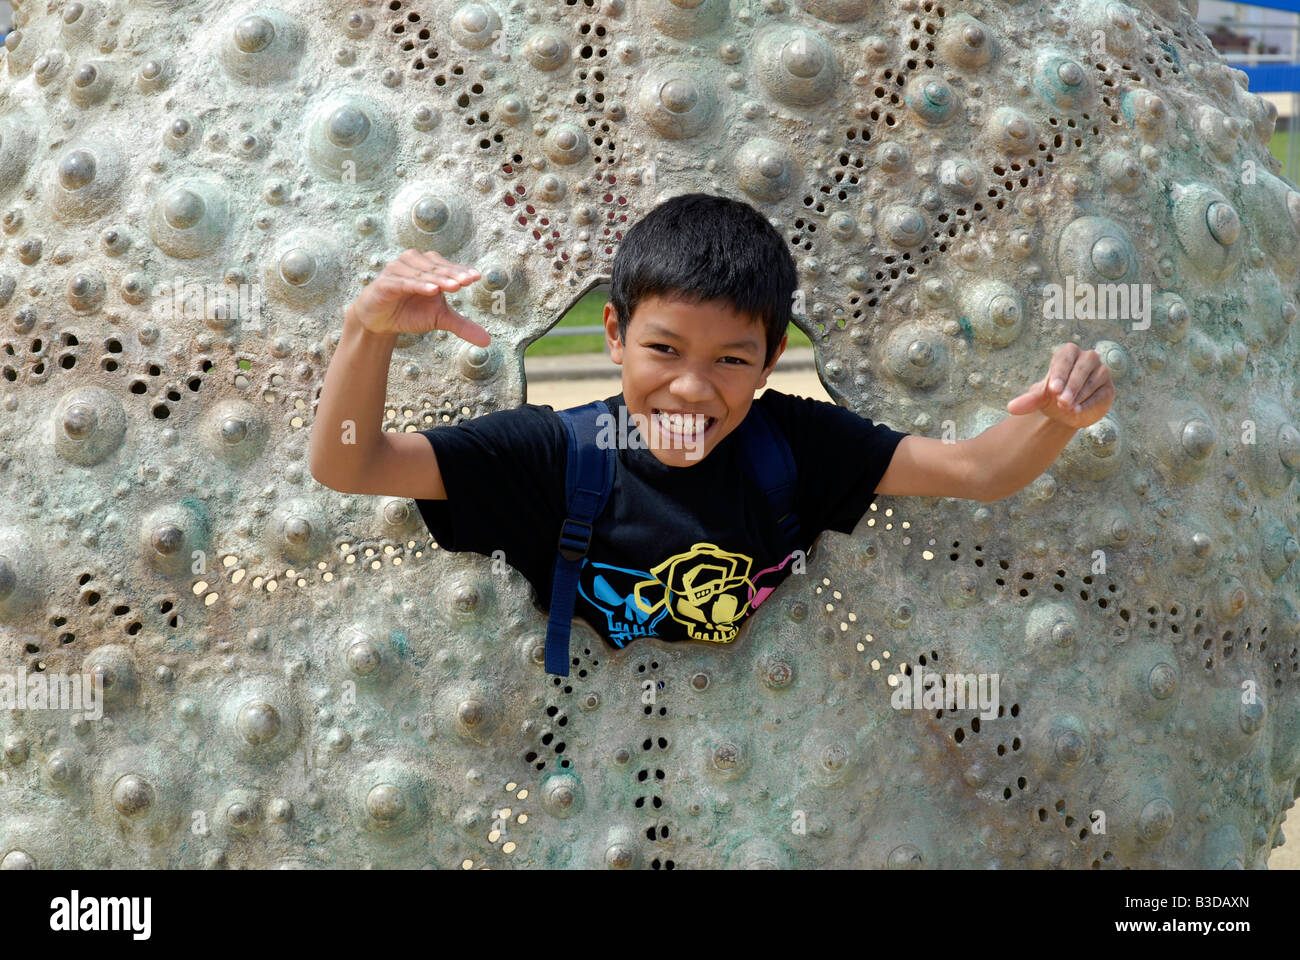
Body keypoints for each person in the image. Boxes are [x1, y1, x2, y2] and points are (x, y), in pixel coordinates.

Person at [309, 192, 1114, 651]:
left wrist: (1060, 415)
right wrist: (366, 331)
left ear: (770, 362)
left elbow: (979, 471)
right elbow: (352, 465)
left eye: (731, 358)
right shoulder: (555, 451)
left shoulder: (793, 445)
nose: (692, 389)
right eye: (663, 349)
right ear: (615, 334)